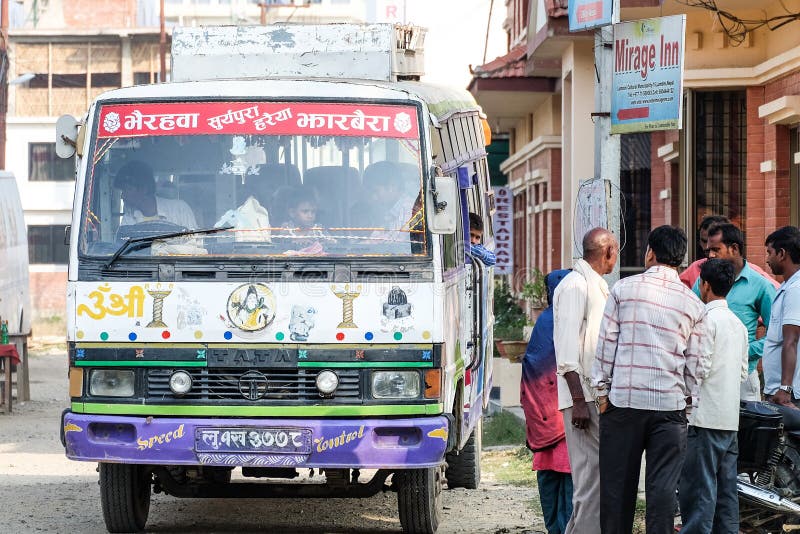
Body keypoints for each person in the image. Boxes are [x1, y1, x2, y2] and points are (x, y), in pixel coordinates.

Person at [592, 225, 708, 534]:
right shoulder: (694, 305)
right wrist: (687, 408)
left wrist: (601, 393)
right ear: (680, 260)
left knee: (617, 491)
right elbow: (694, 366)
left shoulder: (623, 290)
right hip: (669, 410)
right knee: (662, 494)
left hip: (624, 405)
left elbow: (606, 347)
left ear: (650, 253)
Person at [553, 227, 618, 534]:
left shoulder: (594, 285)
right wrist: (579, 401)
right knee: (591, 483)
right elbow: (566, 353)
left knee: (598, 481)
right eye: (615, 252)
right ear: (608, 252)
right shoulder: (575, 285)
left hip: (594, 397)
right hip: (582, 399)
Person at [679, 259, 749, 534]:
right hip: (729, 418)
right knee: (726, 489)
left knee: (700, 488)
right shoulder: (739, 325)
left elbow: (698, 368)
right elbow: (743, 372)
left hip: (703, 417)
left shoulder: (705, 321)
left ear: (705, 285)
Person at [691, 223, 776, 401]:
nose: (710, 256)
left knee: (745, 429)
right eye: (708, 251)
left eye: (715, 249)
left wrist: (745, 350)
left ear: (734, 248)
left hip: (743, 377)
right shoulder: (703, 281)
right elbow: (689, 318)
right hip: (706, 375)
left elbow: (776, 333)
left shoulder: (760, 285)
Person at [521, 269, 574, 534]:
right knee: (570, 485)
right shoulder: (572, 322)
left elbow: (531, 375)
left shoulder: (543, 321)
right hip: (567, 422)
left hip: (542, 422)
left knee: (550, 486)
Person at [681, 215, 778, 290]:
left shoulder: (756, 277)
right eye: (704, 241)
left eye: (715, 248)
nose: (707, 249)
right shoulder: (695, 269)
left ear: (733, 248)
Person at [762, 226, 800, 408]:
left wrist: (785, 388)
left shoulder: (795, 289)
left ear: (782, 253)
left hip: (787, 395)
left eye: (770, 252)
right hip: (779, 391)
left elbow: (790, 340)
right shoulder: (787, 286)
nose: (767, 259)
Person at [114, 160, 197, 229]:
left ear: (144, 189)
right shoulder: (128, 220)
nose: (122, 196)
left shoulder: (180, 209)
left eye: (127, 189)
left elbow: (195, 244)